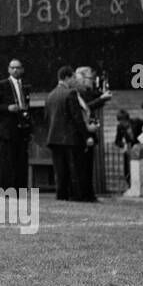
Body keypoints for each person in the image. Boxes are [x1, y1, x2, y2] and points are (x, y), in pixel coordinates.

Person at [0, 59, 33, 192]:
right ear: (8, 69)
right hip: (7, 131)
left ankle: (21, 190)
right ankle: (7, 190)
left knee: (21, 162)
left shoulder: (25, 86)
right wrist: (8, 108)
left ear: (22, 69)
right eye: (12, 68)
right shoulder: (2, 85)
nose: (15, 70)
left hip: (21, 129)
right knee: (7, 163)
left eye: (18, 68)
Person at [44, 65, 87, 202]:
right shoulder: (70, 93)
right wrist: (85, 135)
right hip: (69, 138)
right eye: (73, 77)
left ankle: (61, 195)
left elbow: (47, 117)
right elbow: (77, 118)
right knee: (74, 169)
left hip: (54, 138)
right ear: (67, 77)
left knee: (60, 170)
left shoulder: (50, 95)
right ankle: (76, 195)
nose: (74, 80)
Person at [73, 66, 109, 201]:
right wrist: (101, 99)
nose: (92, 81)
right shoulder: (76, 92)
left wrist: (102, 97)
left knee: (88, 166)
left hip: (89, 130)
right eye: (90, 78)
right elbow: (85, 108)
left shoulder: (86, 91)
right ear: (81, 78)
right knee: (83, 166)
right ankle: (85, 194)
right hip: (83, 133)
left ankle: (89, 194)